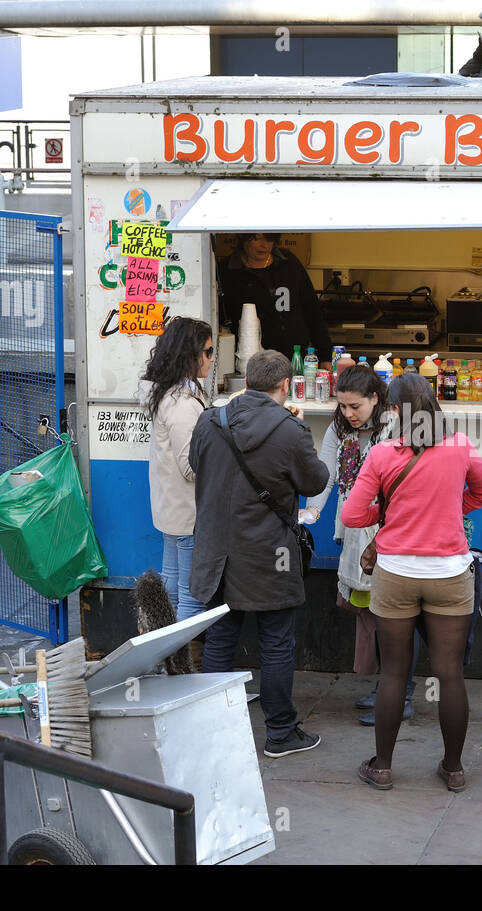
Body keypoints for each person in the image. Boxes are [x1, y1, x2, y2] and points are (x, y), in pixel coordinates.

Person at [342, 374, 482, 792]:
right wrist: (450, 507)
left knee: (394, 673)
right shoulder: (461, 446)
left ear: (393, 411)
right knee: (450, 674)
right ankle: (454, 768)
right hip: (449, 575)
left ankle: (384, 767)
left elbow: (353, 516)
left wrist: (390, 515)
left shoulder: (381, 454)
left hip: (395, 576)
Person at [189, 348, 330, 758]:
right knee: (275, 645)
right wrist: (301, 435)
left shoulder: (209, 420)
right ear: (285, 385)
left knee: (219, 640)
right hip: (269, 556)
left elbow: (198, 467)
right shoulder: (290, 430)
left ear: (246, 382)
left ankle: (209, 731)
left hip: (216, 553)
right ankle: (281, 734)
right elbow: (315, 481)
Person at [301, 365, 419, 726]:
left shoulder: (396, 429)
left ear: (375, 399)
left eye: (356, 407)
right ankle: (389, 686)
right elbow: (326, 473)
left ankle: (404, 694)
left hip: (391, 534)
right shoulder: (340, 429)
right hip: (355, 532)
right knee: (373, 612)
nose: (349, 414)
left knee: (395, 615)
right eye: (343, 407)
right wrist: (314, 509)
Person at [141, 316, 213, 623]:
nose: (211, 359)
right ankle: (181, 662)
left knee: (170, 589)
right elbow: (189, 466)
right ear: (191, 355)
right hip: (189, 514)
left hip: (173, 511)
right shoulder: (183, 403)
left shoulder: (169, 393)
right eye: (208, 352)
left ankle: (165, 657)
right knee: (191, 597)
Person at [217, 232, 332, 361]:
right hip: (252, 361)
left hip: (295, 357)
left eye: (269, 239)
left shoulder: (289, 262)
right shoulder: (228, 271)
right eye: (256, 239)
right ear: (243, 239)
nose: (264, 245)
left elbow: (312, 310)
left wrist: (325, 354)